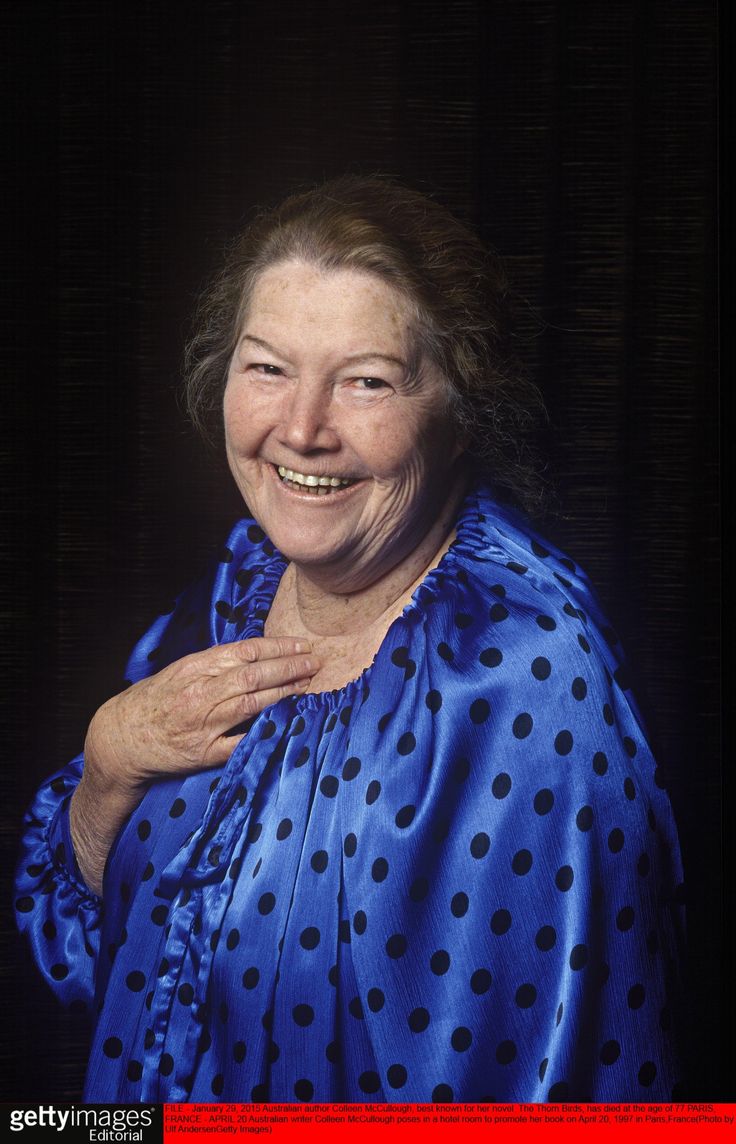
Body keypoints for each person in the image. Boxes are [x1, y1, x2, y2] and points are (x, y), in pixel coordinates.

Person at [15, 176, 684, 1103]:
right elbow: (87, 974)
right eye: (267, 368)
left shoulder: (528, 677)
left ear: (461, 415)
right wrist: (103, 777)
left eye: (366, 381)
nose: (299, 429)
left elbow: (565, 1096)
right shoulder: (231, 588)